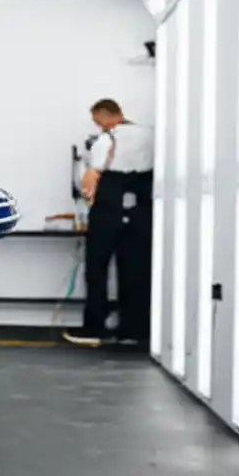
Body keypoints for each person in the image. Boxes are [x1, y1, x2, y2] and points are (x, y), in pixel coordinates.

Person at [64, 98, 154, 348]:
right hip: (142, 210)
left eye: (97, 121)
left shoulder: (107, 139)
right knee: (136, 270)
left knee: (97, 268)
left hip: (109, 207)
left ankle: (95, 327)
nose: (99, 127)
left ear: (106, 116)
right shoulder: (151, 135)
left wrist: (87, 199)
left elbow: (92, 177)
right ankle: (134, 329)